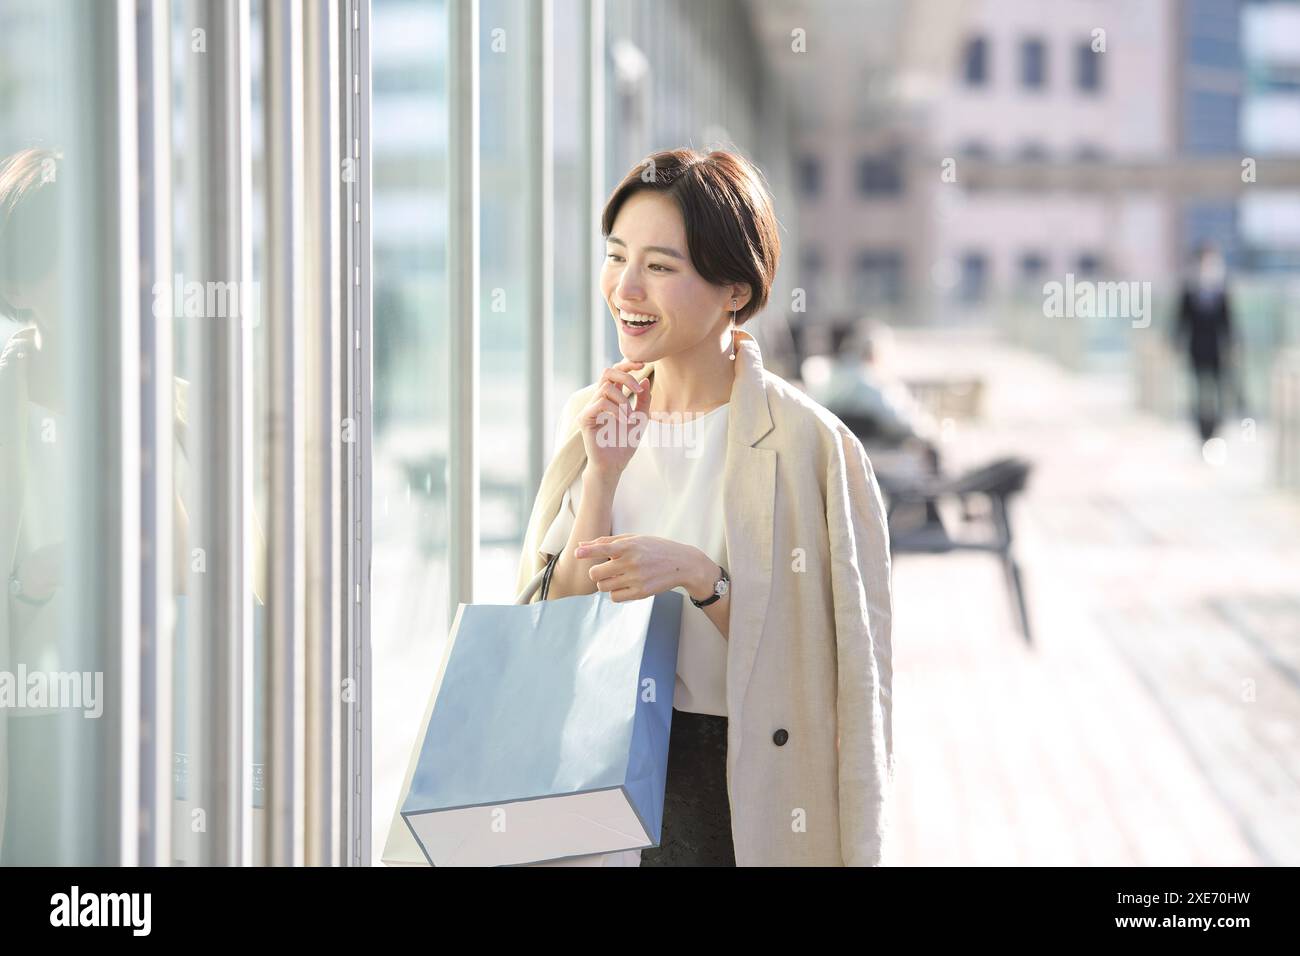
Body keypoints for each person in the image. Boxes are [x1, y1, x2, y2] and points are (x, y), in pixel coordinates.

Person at [515, 148, 895, 866]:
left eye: (660, 266)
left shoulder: (814, 447)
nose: (626, 287)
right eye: (617, 256)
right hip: (594, 761)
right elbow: (552, 630)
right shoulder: (591, 419)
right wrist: (601, 477)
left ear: (734, 290)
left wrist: (703, 579)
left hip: (734, 780)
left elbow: (840, 673)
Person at [1173, 242, 1241, 444]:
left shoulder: (1221, 291)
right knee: (1199, 391)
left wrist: (1233, 345)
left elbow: (1228, 322)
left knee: (1219, 390)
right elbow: (1180, 320)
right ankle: (1201, 431)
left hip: (1217, 351)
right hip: (1196, 349)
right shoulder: (1189, 291)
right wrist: (1175, 342)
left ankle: (1216, 430)